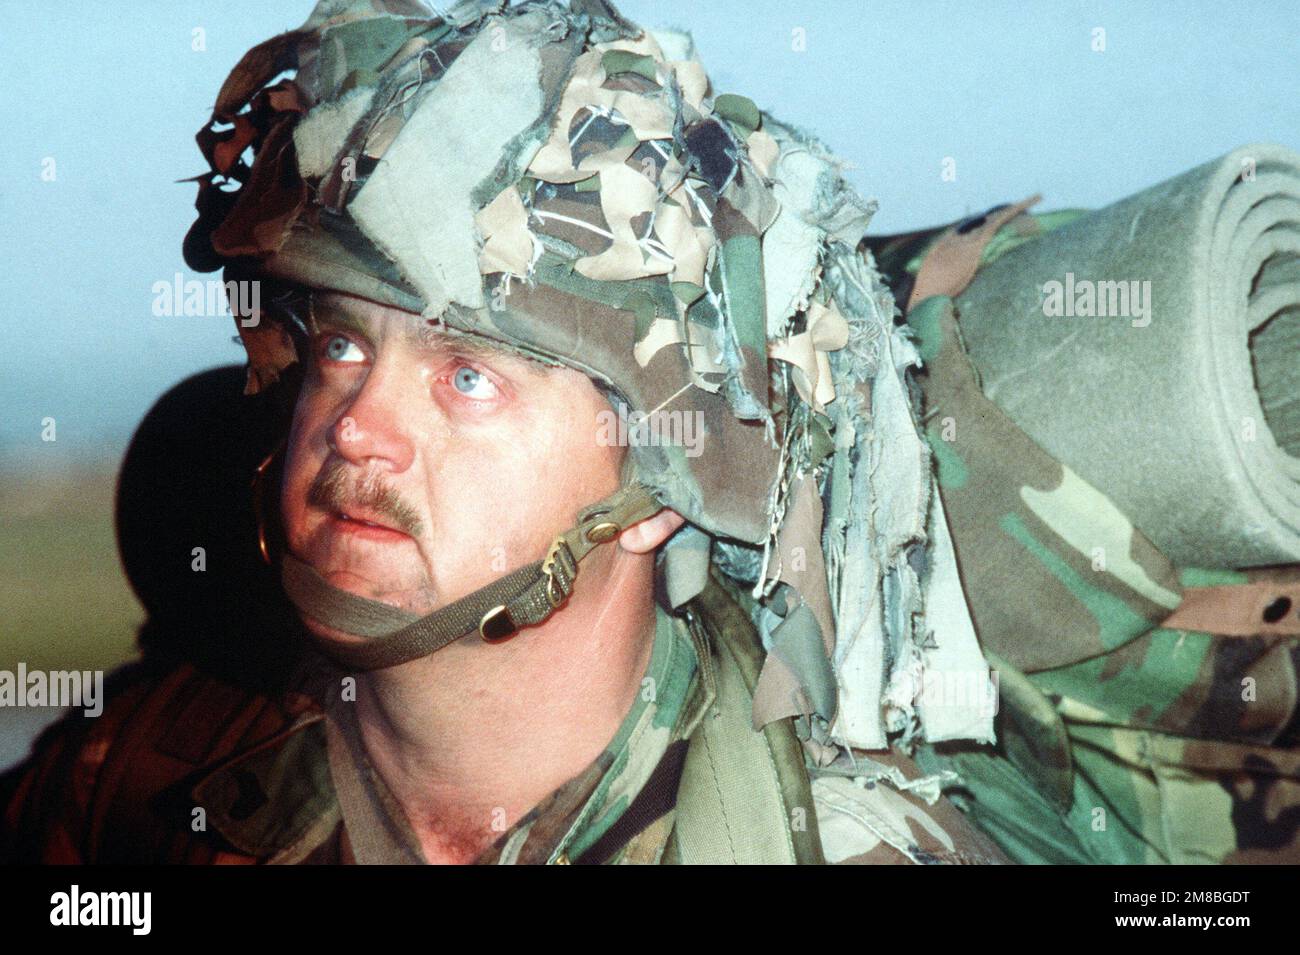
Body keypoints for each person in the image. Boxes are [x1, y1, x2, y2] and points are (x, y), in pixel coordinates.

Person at [0, 0, 1005, 864]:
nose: (356, 431)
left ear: (660, 486)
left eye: (468, 378)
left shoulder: (834, 844)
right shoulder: (139, 778)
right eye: (343, 349)